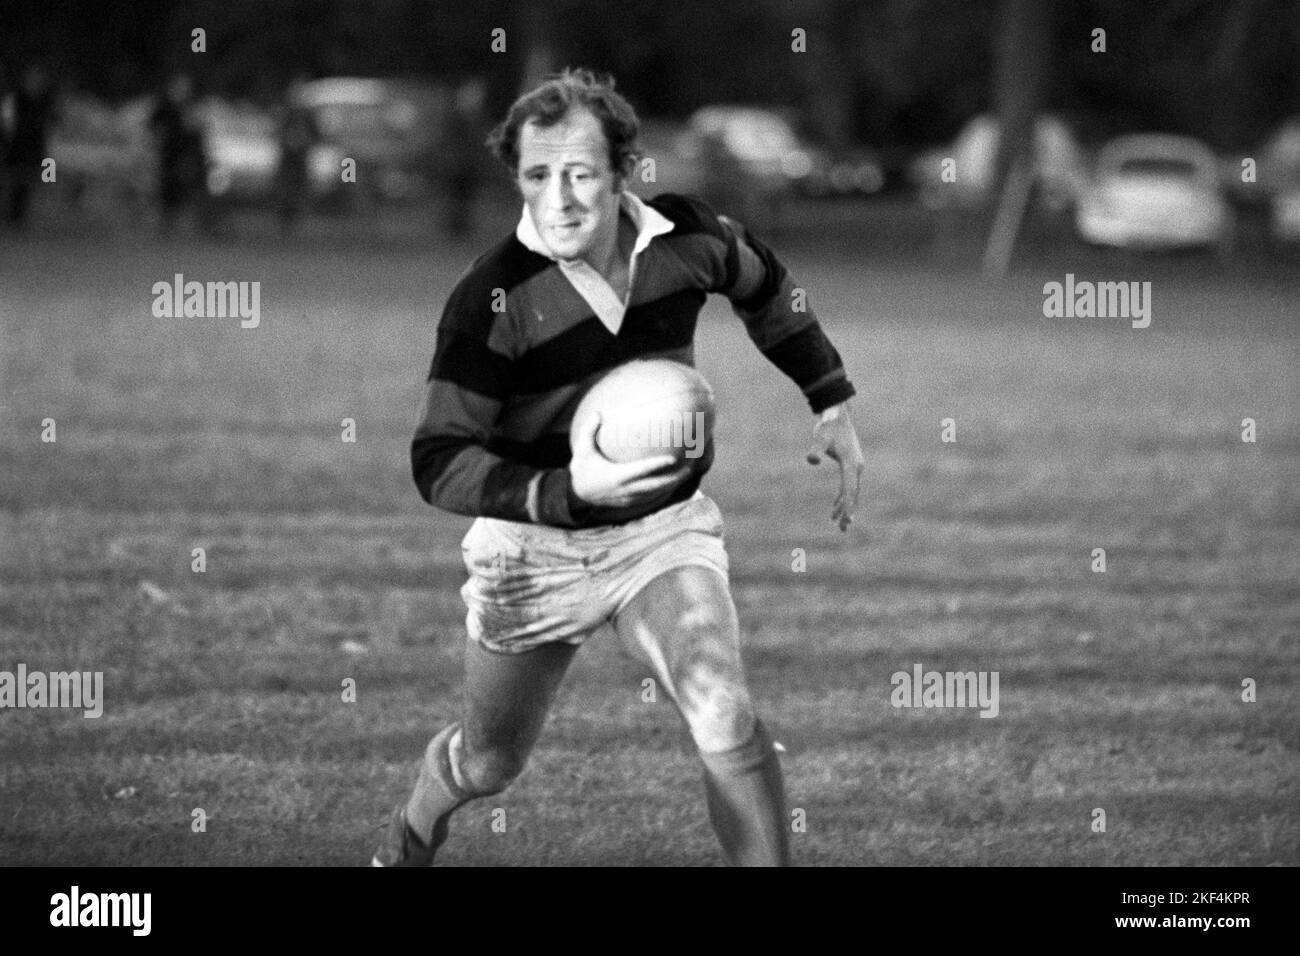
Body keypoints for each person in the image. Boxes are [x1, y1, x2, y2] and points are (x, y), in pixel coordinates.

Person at [373, 68, 864, 867]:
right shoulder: (492, 298)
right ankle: (414, 829)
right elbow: (438, 460)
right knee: (490, 761)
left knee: (723, 710)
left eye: (580, 174)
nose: (559, 199)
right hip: (529, 554)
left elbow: (769, 285)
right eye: (537, 176)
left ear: (624, 173)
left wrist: (831, 399)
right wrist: (565, 491)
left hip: (660, 534)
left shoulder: (689, 237)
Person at [148, 74, 207, 235]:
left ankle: (188, 228)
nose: (182, 90)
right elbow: (153, 128)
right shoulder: (164, 107)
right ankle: (165, 228)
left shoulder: (192, 107)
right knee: (168, 191)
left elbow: (197, 134)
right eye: (179, 87)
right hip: (169, 157)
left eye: (185, 87)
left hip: (188, 157)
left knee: (187, 192)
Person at [2, 62, 57, 228]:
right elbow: (7, 125)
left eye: (39, 78)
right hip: (17, 151)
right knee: (16, 184)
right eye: (33, 78)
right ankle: (14, 220)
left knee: (45, 181)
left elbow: (53, 125)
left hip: (40, 152)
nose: (36, 81)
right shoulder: (14, 99)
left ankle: (38, 217)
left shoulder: (46, 102)